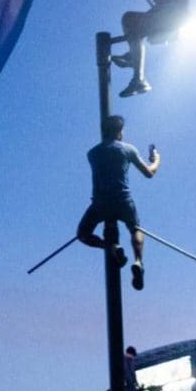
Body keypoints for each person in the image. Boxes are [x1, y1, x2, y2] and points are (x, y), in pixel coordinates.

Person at [106, 0, 196, 97]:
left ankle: (138, 75)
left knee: (128, 19)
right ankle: (133, 57)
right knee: (134, 27)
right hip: (170, 16)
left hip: (172, 14)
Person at [80, 116, 161, 289]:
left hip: (100, 203)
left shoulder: (92, 153)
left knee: (83, 234)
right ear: (119, 132)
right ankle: (138, 261)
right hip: (123, 201)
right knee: (135, 229)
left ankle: (110, 247)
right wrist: (156, 160)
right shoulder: (128, 149)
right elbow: (149, 173)